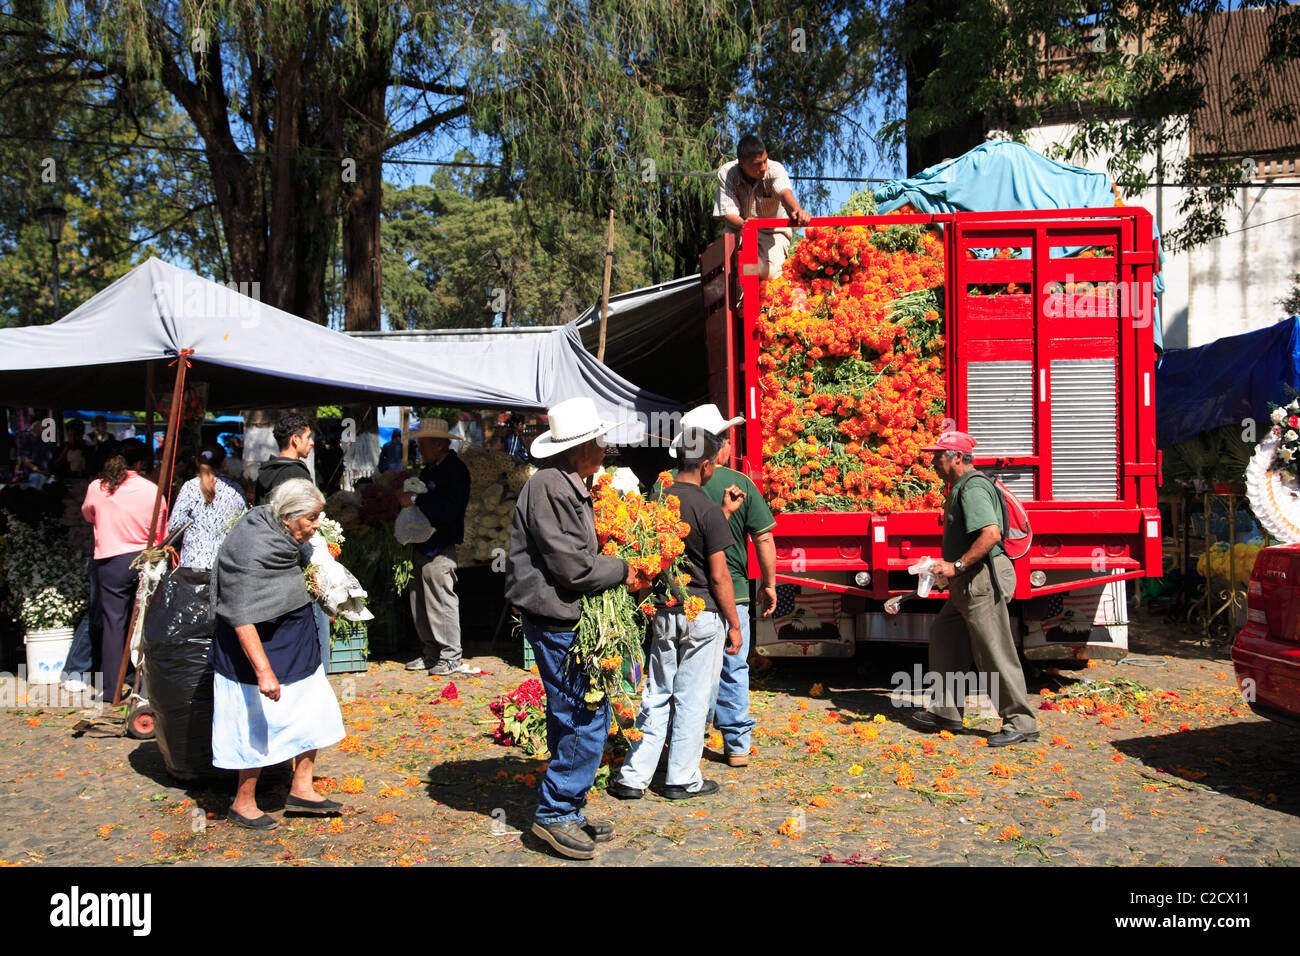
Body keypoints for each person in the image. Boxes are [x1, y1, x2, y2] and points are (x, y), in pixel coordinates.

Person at [504, 396, 635, 859]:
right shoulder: (551, 487)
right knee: (583, 714)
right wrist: (625, 569)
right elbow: (574, 569)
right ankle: (555, 814)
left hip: (561, 616)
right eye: (599, 442)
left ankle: (569, 807)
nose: (604, 449)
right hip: (555, 618)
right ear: (579, 448)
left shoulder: (564, 483)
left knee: (577, 713)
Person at [609, 426, 743, 803]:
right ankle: (681, 778)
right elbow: (719, 576)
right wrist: (734, 624)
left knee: (656, 693)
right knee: (692, 698)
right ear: (706, 465)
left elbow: (659, 551)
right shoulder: (707, 508)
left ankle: (633, 778)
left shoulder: (657, 500)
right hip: (701, 616)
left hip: (664, 611)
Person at [210, 478, 346, 829]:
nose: (317, 525)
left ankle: (302, 788)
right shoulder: (252, 546)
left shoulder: (286, 537)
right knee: (257, 723)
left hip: (295, 643)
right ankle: (243, 802)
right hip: (258, 650)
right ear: (287, 517)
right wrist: (263, 670)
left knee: (311, 711)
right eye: (312, 518)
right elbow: (239, 613)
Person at [663, 404, 777, 768]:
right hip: (732, 592)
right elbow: (763, 538)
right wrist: (770, 583)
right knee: (733, 668)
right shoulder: (739, 483)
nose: (729, 444)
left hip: (681, 595)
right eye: (726, 438)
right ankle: (737, 745)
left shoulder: (665, 484)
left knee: (681, 673)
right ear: (716, 445)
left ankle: (682, 744)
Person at [908, 431, 1038, 747]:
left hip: (980, 580)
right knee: (945, 636)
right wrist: (949, 567)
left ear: (957, 457)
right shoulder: (959, 487)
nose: (933, 461)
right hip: (966, 582)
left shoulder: (973, 487)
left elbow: (991, 534)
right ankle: (947, 714)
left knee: (993, 650)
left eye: (938, 456)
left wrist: (957, 565)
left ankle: (1021, 722)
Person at [81, 439, 167, 695]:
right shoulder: (151, 489)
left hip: (111, 561)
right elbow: (161, 531)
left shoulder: (98, 487)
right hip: (144, 558)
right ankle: (146, 684)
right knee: (146, 621)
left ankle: (111, 688)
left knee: (114, 624)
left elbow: (88, 515)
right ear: (139, 463)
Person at [398, 418, 474, 676]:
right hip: (422, 545)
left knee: (441, 600)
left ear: (439, 445)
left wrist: (417, 499)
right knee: (419, 600)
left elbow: (451, 509)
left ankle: (451, 656)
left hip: (440, 546)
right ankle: (430, 652)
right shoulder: (429, 470)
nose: (419, 450)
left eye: (423, 445)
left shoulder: (455, 470)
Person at [714, 133, 812, 279]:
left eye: (765, 161)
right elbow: (728, 212)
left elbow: (785, 194)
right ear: (741, 163)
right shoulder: (727, 173)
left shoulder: (775, 169)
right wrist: (745, 224)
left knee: (770, 273)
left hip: (772, 232)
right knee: (734, 267)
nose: (763, 167)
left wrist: (797, 210)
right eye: (757, 164)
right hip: (739, 229)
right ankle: (735, 271)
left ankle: (750, 270)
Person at [168, 445, 247, 571]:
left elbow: (175, 525)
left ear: (197, 461)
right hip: (224, 566)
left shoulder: (190, 487)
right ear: (223, 462)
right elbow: (243, 526)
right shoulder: (235, 490)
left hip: (193, 565)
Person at [253, 412, 314, 506]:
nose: (312, 442)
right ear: (295, 439)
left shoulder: (266, 472)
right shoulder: (297, 474)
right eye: (308, 437)